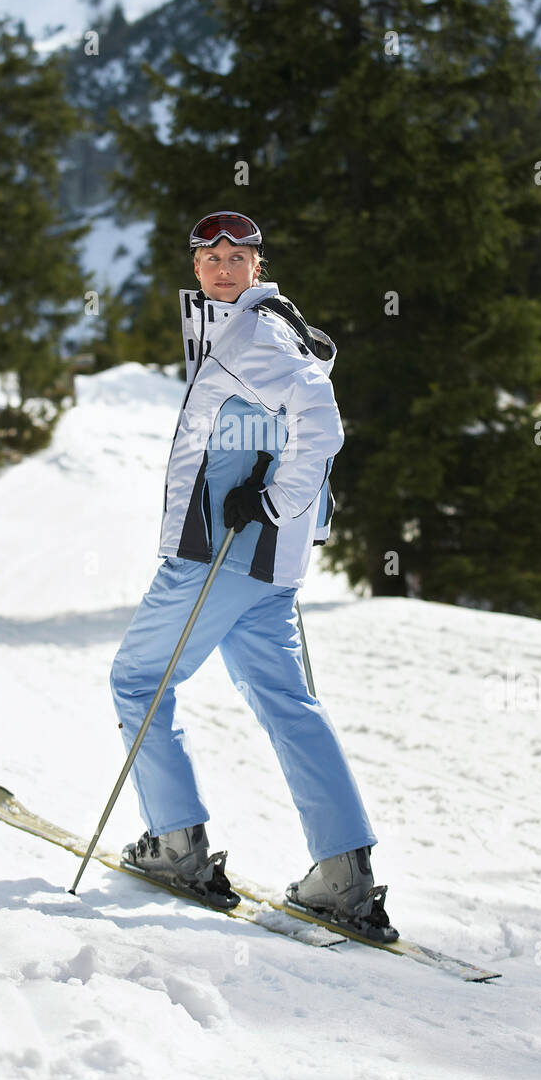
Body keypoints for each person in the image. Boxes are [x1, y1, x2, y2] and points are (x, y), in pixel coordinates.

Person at [109, 210, 397, 939]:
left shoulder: (254, 333)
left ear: (258, 266)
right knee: (285, 701)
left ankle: (176, 845)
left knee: (139, 681)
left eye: (239, 256)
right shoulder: (264, 325)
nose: (224, 266)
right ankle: (343, 873)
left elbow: (320, 421)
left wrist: (272, 498)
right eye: (211, 256)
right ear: (196, 267)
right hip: (266, 563)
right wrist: (277, 502)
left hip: (221, 553)